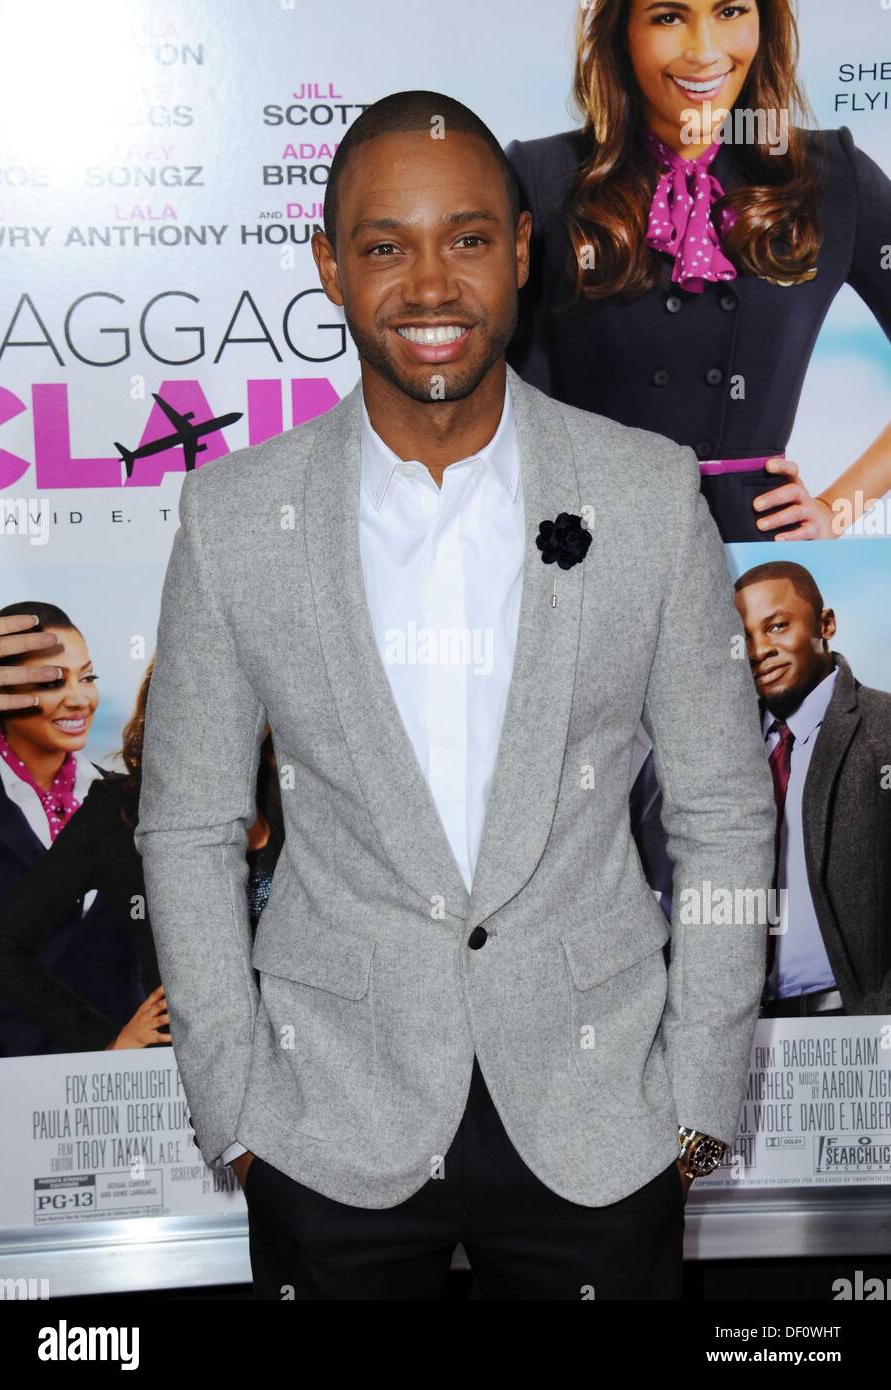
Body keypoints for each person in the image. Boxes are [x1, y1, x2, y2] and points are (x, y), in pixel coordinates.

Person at [134, 90, 775, 1301]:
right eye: (386, 246)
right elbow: (187, 824)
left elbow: (727, 810)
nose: (431, 286)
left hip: (601, 1122)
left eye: (468, 239)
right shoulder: (232, 519)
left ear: (522, 251)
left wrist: (697, 1099)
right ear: (330, 265)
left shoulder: (645, 495)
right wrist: (234, 1100)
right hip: (330, 1123)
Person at [504, 0, 891, 545]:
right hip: (585, 558)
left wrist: (837, 508)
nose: (706, 50)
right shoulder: (538, 177)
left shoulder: (831, 177)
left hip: (758, 571)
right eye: (668, 17)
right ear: (622, 32)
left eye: (731, 11)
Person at [0, 653, 284, 1053]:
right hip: (187, 1075)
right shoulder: (118, 812)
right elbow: (4, 946)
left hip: (304, 1066)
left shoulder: (294, 801)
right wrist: (108, 1042)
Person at [733, 560, 891, 1016]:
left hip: (858, 1021)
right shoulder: (721, 751)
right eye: (744, 637)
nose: (758, 651)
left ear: (826, 624)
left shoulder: (883, 728)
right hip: (748, 1030)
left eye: (777, 627)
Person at [0, 603, 147, 1056]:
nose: (79, 698)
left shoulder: (127, 802)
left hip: (125, 1082)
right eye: (52, 681)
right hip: (3, 1083)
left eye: (87, 677)